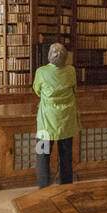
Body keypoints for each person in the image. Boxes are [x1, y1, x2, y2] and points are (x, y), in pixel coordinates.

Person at [32, 42, 81, 188]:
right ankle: (65, 187)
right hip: (66, 122)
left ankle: (43, 187)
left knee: (42, 156)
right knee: (66, 157)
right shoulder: (71, 71)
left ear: (49, 56)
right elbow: (74, 89)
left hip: (45, 123)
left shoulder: (41, 72)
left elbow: (37, 90)